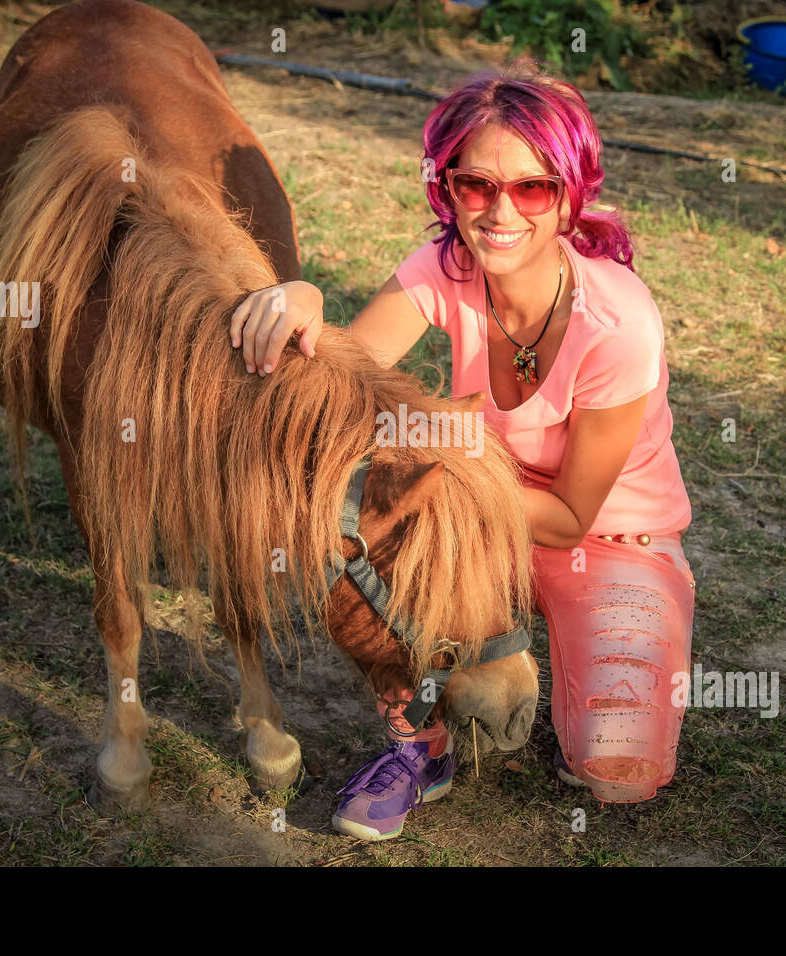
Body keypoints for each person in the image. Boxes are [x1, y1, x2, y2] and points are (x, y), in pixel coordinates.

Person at [230, 59, 695, 842]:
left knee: (617, 769)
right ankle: (422, 744)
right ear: (446, 189)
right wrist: (305, 301)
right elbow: (344, 379)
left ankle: (592, 651)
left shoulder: (621, 324)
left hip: (604, 535)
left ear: (569, 194)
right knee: (378, 533)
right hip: (482, 510)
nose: (499, 211)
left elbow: (572, 515)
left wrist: (457, 467)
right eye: (475, 185)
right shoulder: (444, 268)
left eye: (533, 188)